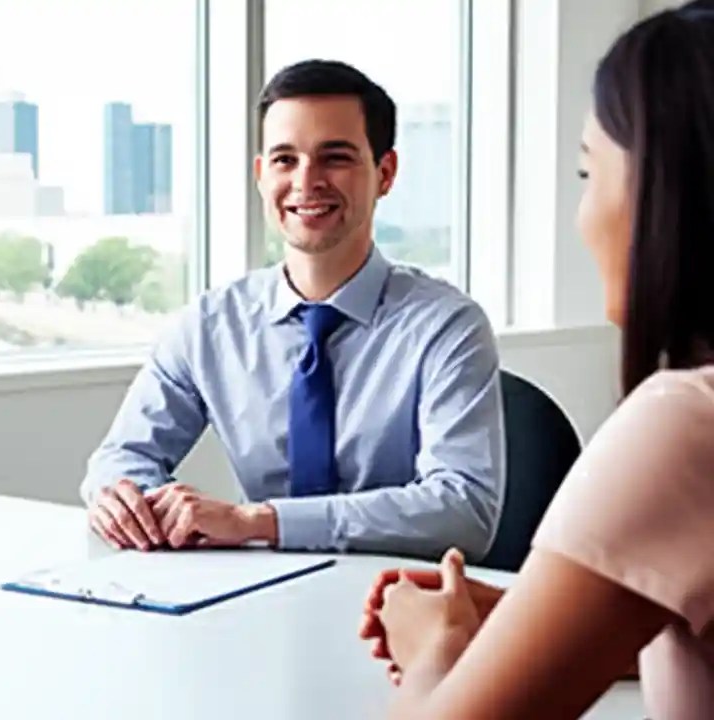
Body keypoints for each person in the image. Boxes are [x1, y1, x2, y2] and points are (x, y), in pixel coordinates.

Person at [358, 3, 714, 717]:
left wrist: (441, 649)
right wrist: (550, 613)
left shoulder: (684, 424)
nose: (582, 218)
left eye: (588, 173)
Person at [80, 59, 504, 561]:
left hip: (398, 607)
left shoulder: (447, 327)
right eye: (285, 160)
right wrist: (129, 502)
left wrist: (256, 521)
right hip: (249, 598)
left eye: (336, 158)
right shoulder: (210, 327)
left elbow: (464, 509)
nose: (307, 182)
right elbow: (121, 458)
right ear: (262, 176)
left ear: (385, 173)